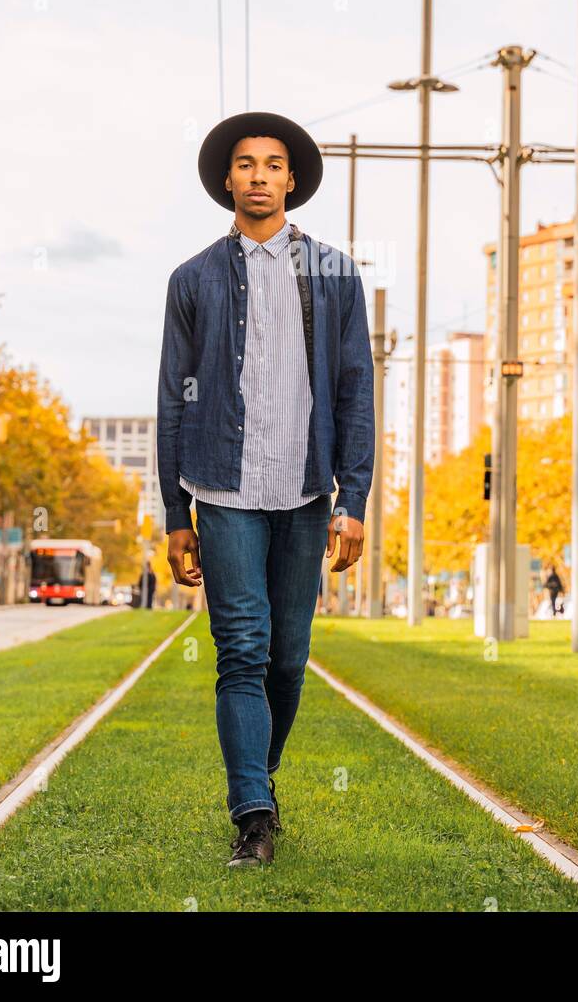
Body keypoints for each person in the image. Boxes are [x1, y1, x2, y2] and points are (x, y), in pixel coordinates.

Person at [157, 112, 375, 868]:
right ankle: (253, 814)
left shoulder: (337, 274)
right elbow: (172, 399)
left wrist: (356, 501)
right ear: (227, 179)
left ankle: (261, 775)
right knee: (241, 649)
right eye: (244, 164)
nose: (257, 175)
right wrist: (172, 512)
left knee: (287, 657)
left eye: (271, 164)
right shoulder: (193, 279)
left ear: (291, 180)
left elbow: (356, 390)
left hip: (307, 491)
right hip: (221, 488)